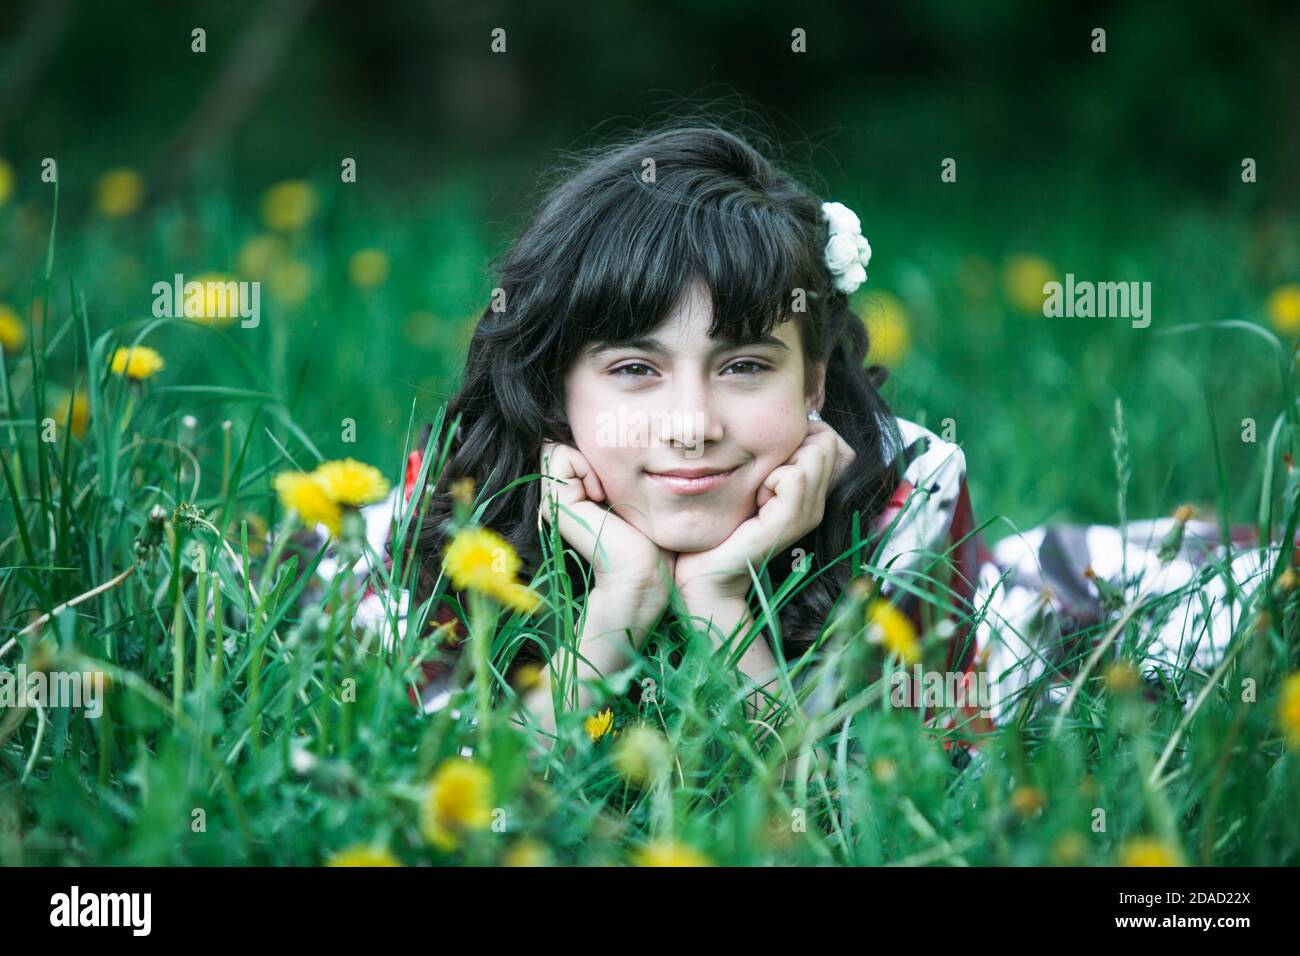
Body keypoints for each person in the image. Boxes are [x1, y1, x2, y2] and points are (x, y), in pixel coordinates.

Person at [338, 122, 1282, 753]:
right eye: (634, 369)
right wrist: (612, 619)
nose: (693, 424)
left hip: (1019, 608)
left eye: (745, 366)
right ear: (556, 392)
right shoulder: (468, 505)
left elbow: (845, 806)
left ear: (815, 381)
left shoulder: (905, 490)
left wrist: (718, 603)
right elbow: (457, 787)